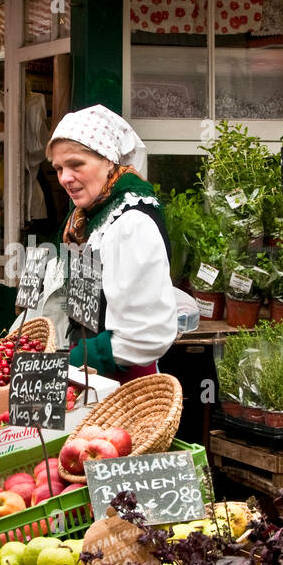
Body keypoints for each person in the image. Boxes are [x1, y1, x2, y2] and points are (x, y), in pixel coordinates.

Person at [47, 105, 176, 381]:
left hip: (123, 387)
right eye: (58, 168)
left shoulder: (131, 223)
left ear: (108, 161)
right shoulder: (88, 219)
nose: (65, 178)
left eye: (76, 164)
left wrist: (72, 360)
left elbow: (146, 335)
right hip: (90, 377)